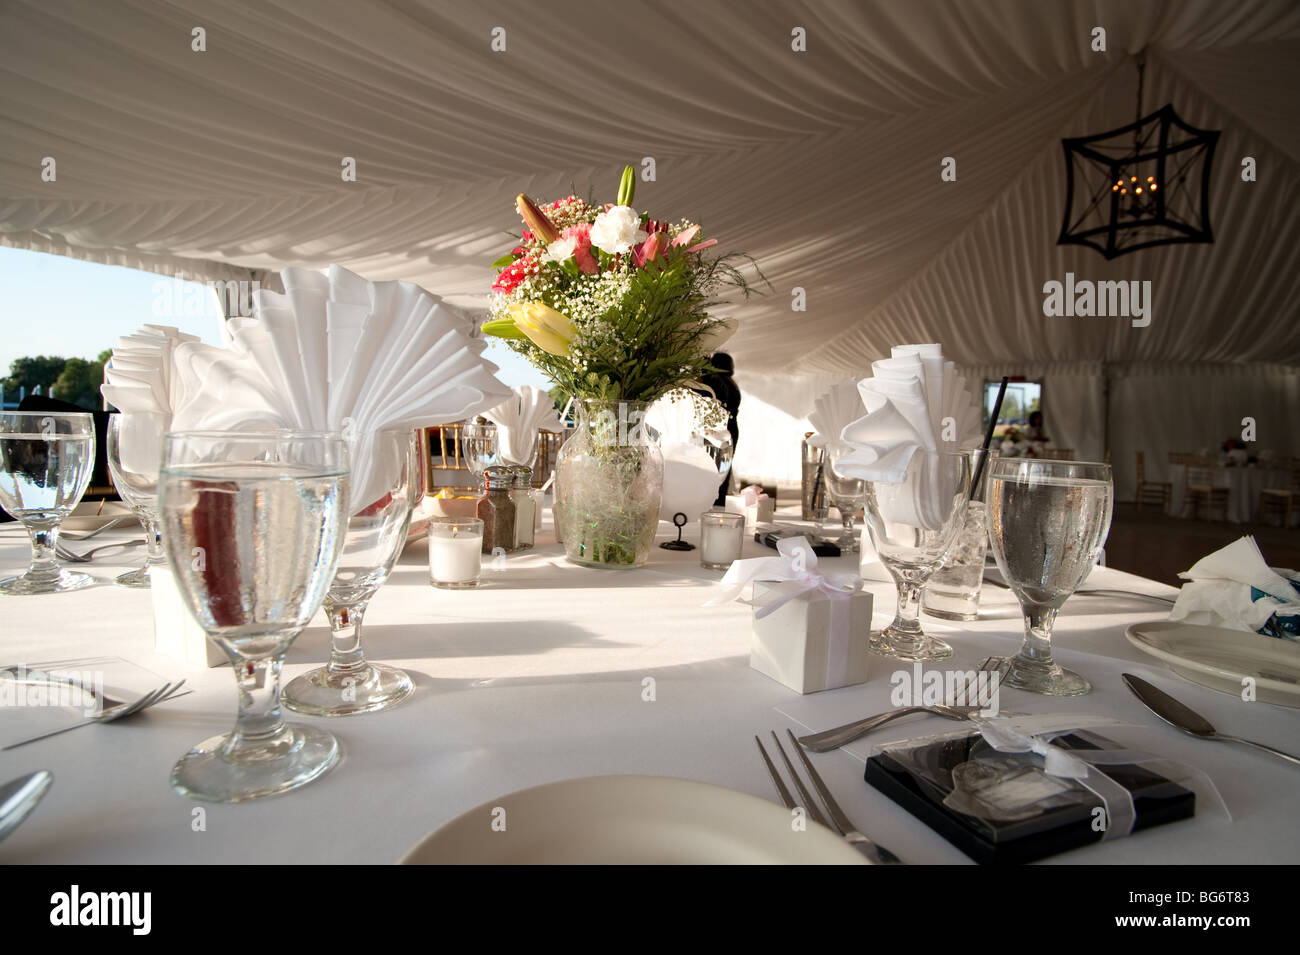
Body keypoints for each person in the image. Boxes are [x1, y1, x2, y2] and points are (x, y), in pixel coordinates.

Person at [696, 352, 741, 506]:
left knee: (712, 467)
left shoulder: (716, 381)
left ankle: (711, 501)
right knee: (724, 467)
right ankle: (719, 502)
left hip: (717, 429)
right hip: (731, 428)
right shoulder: (733, 386)